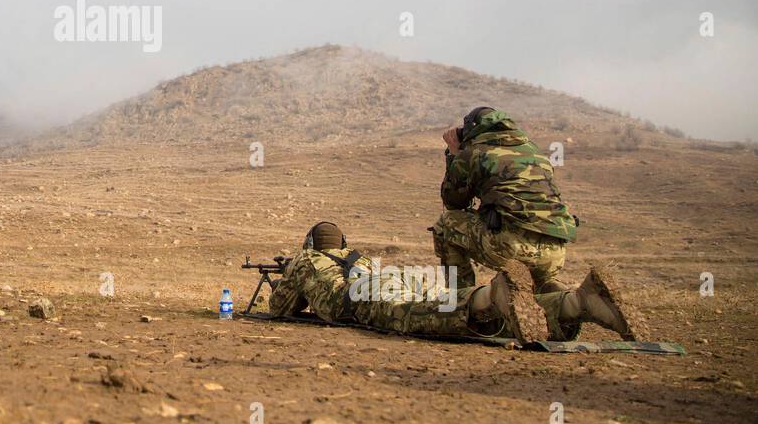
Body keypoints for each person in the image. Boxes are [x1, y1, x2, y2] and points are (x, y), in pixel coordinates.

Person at [269, 220, 643, 341]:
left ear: (308, 244)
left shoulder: (305, 259)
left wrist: (288, 276)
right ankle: (577, 302)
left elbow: (279, 308)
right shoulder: (357, 257)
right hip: (395, 277)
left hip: (364, 294)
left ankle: (492, 296)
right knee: (445, 298)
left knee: (416, 316)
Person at [432, 106, 576, 293]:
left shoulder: (474, 152)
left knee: (446, 224)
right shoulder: (535, 153)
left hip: (511, 248)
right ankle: (560, 296)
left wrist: (454, 154)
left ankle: (461, 298)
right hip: (556, 253)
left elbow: (453, 201)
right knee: (541, 279)